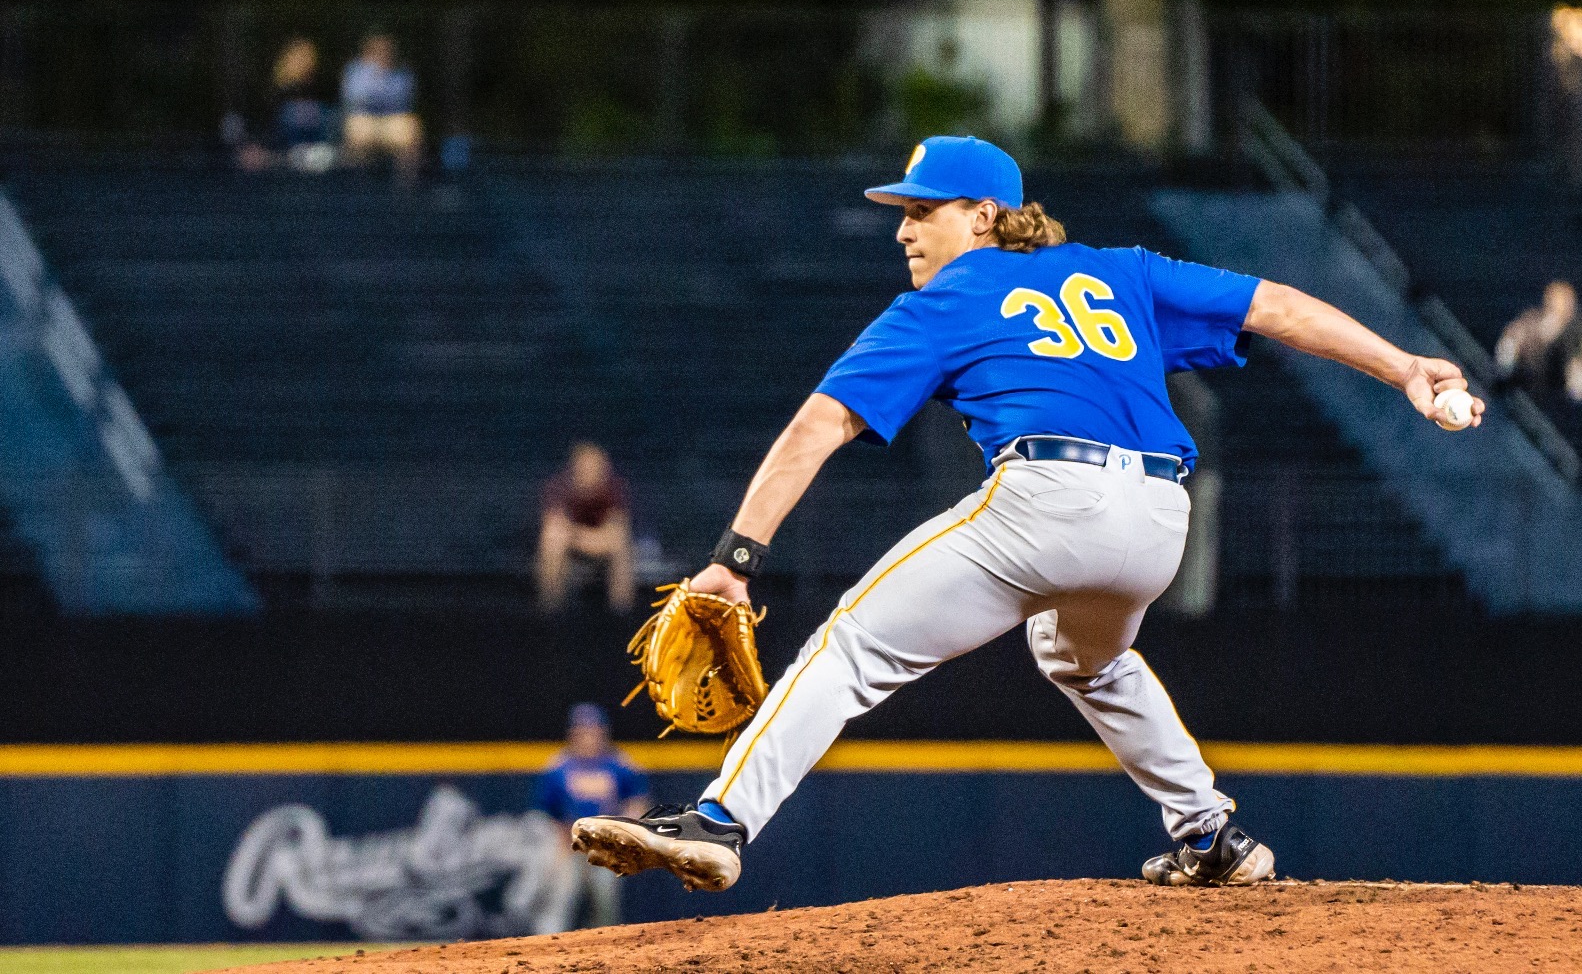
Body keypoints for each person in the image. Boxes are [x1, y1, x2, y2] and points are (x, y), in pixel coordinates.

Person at [570, 136, 1482, 893]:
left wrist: (735, 556)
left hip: (1050, 496)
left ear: (984, 216)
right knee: (1084, 653)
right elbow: (1276, 305)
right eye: (903, 214)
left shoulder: (945, 299)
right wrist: (1405, 366)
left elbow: (819, 424)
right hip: (1162, 519)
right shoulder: (1121, 269)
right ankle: (1210, 834)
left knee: (851, 645)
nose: (905, 232)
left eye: (922, 211)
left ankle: (721, 820)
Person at [534, 704, 650, 931]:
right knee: (561, 899)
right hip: (569, 844)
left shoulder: (619, 763)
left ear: (602, 732)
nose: (588, 736)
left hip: (605, 845)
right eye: (583, 731)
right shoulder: (559, 765)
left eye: (593, 730)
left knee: (604, 900)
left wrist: (624, 830)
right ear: (573, 734)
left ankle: (605, 950)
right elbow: (547, 811)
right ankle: (549, 950)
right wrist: (561, 840)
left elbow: (638, 800)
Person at [536, 442, 636, 614]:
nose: (590, 473)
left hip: (600, 546)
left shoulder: (614, 489)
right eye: (585, 467)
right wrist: (580, 537)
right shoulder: (559, 487)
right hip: (570, 547)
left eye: (596, 467)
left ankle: (622, 613)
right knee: (553, 539)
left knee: (621, 545)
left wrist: (585, 537)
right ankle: (550, 611)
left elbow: (617, 528)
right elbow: (554, 525)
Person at [1495, 280, 1582, 403]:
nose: (1559, 305)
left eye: (1565, 301)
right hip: (1525, 380)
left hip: (1560, 387)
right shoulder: (1532, 320)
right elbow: (1513, 336)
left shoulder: (1581, 328)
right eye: (1555, 299)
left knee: (1578, 371)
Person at [236, 37, 334, 174]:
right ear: (287, 60)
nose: (306, 63)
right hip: (279, 162)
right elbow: (258, 131)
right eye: (300, 57)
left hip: (313, 159)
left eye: (309, 58)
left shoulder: (319, 91)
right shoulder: (271, 95)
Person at [340, 33, 423, 179]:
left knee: (410, 126)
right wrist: (376, 79)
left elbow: (403, 100)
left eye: (386, 50)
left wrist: (379, 91)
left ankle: (406, 186)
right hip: (365, 119)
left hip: (390, 120)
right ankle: (358, 183)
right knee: (357, 127)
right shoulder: (355, 70)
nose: (383, 53)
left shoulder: (401, 72)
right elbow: (354, 98)